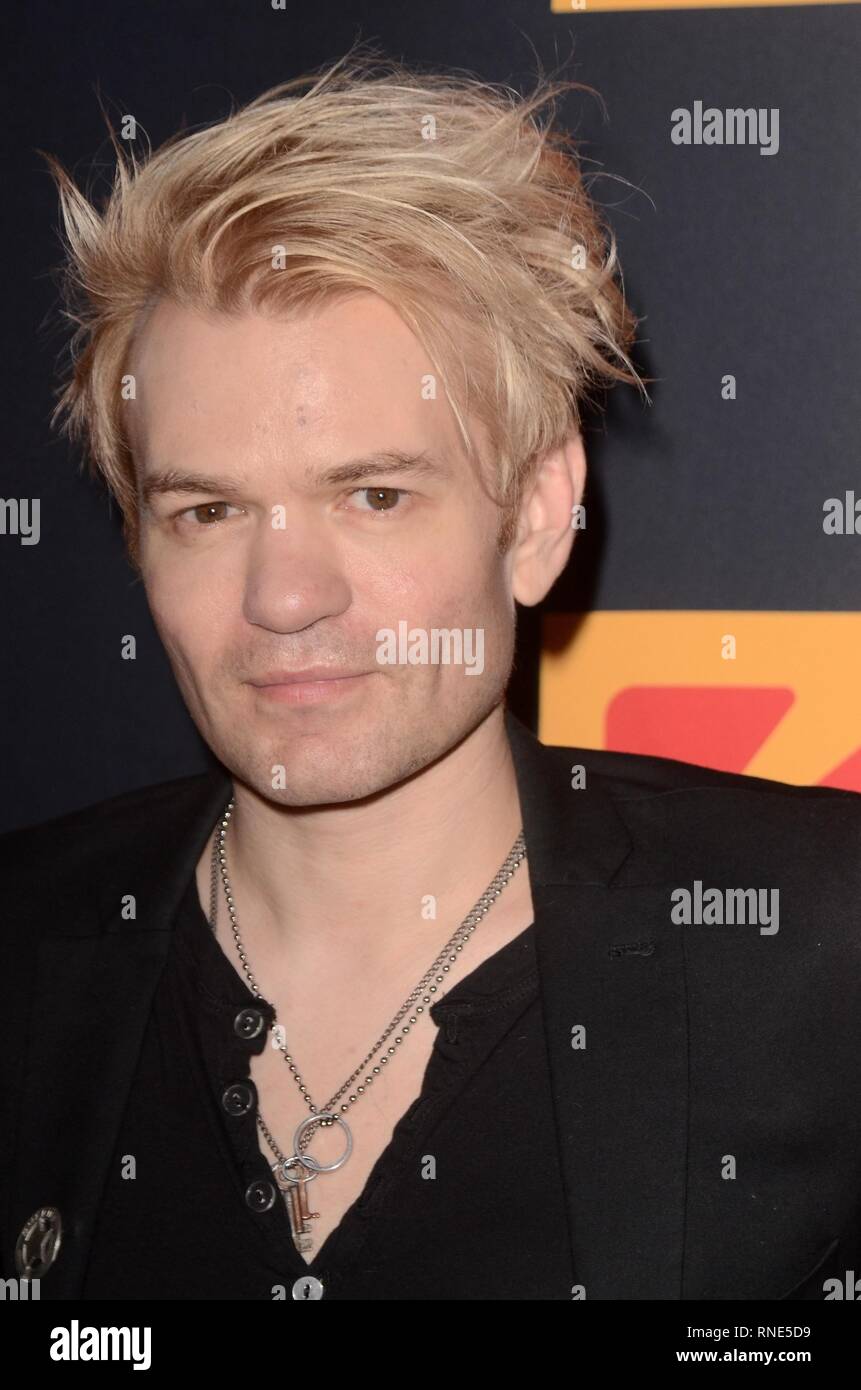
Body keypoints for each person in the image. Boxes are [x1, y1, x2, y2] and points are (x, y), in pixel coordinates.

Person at [2, 50, 859, 1303]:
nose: (285, 597)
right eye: (205, 512)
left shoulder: (820, 952)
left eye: (376, 494)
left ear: (536, 515)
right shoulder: (25, 956)